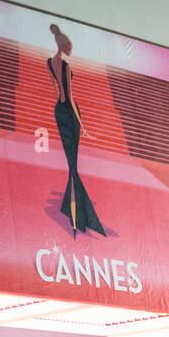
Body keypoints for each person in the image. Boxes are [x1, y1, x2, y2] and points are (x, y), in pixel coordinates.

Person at [46, 24, 106, 237]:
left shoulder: (50, 62)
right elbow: (70, 99)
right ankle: (78, 217)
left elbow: (57, 92)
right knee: (73, 167)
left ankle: (73, 213)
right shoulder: (66, 66)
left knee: (72, 167)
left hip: (58, 112)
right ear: (64, 45)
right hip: (70, 115)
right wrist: (83, 125)